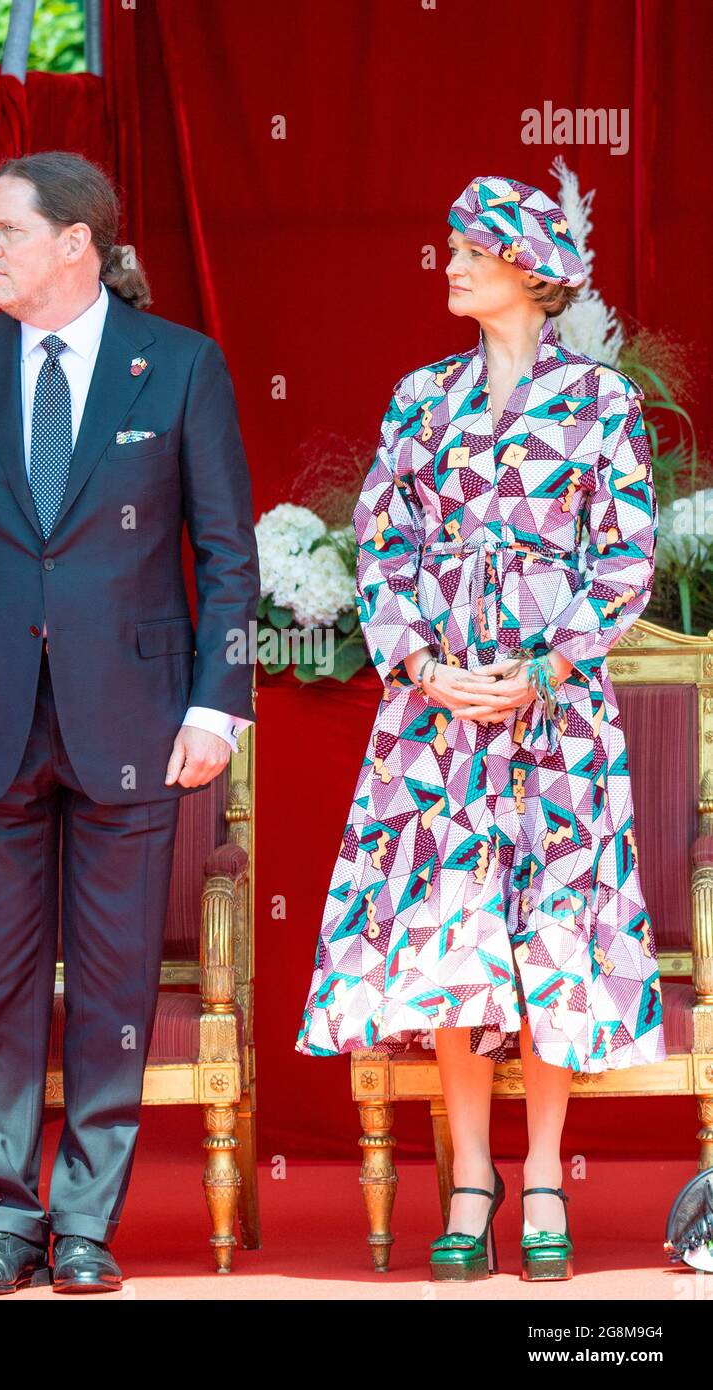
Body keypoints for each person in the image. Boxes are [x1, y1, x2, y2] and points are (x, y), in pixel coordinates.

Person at [0, 150, 260, 1295]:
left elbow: (227, 557)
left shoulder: (181, 368)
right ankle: (5, 1219)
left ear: (74, 244)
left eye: (4, 230)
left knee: (112, 981)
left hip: (135, 719)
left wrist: (215, 706)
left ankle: (86, 1220)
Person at [295, 174, 666, 1282]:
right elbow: (380, 547)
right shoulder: (417, 397)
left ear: (525, 267)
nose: (446, 266)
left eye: (465, 250)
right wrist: (422, 664)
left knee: (552, 941)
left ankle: (543, 1172)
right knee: (453, 944)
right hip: (437, 722)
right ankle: (469, 1175)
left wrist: (543, 667)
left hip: (555, 719)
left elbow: (624, 561)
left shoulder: (602, 405)